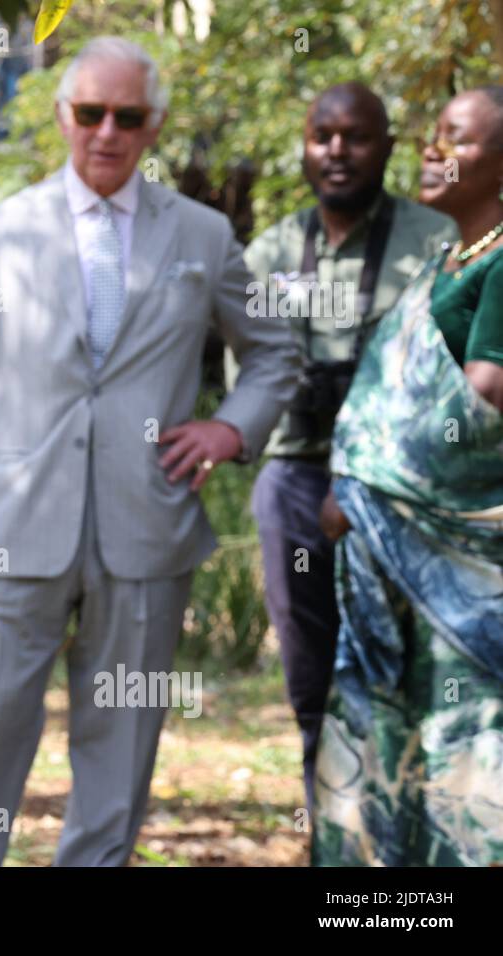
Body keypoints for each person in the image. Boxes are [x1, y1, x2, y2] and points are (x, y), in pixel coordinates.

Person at [0, 37, 299, 866]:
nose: (107, 132)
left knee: (123, 741)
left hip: (147, 525)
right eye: (90, 113)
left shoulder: (203, 235)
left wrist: (231, 427)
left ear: (154, 124)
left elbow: (274, 348)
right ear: (63, 116)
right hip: (8, 528)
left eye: (127, 117)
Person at [228, 83, 455, 810]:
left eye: (356, 136)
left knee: (408, 657)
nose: (336, 151)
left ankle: (415, 809)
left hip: (407, 475)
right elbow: (248, 371)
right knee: (308, 659)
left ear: (387, 145)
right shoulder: (271, 251)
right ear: (304, 145)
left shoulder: (435, 236)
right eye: (322, 135)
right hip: (297, 470)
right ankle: (327, 805)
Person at [312, 86, 503, 866]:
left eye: (456, 139)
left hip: (463, 559)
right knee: (405, 730)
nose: (434, 151)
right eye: (433, 135)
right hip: (399, 559)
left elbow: (485, 400)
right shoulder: (445, 262)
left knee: (465, 740)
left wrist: (366, 487)